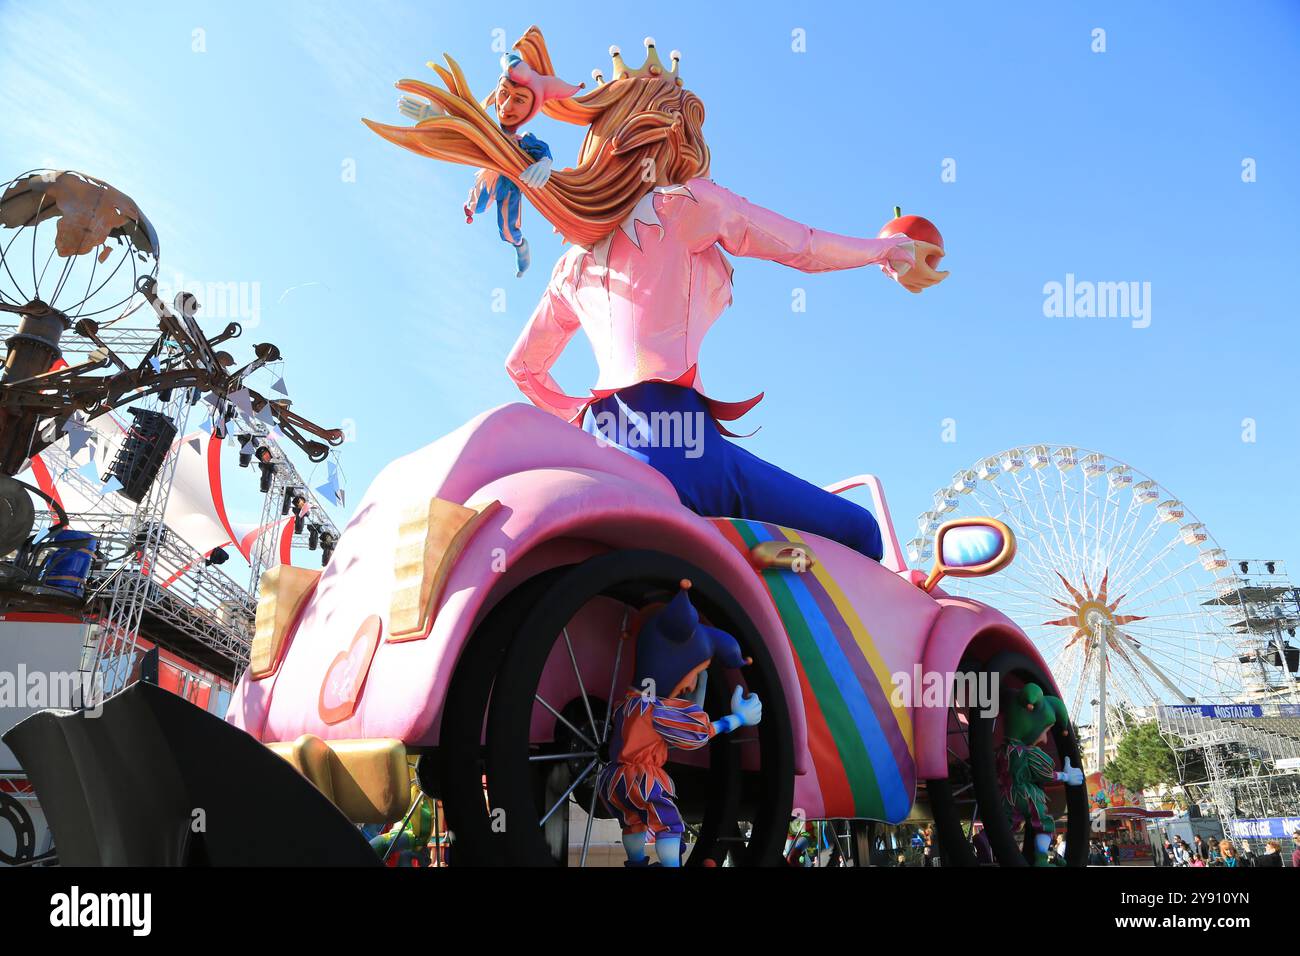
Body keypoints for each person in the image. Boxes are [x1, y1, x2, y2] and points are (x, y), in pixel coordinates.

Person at [368, 27, 947, 560]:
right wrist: (883, 251)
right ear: (672, 130)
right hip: (685, 447)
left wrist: (586, 417)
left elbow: (521, 367)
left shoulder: (572, 263)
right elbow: (803, 245)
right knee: (860, 531)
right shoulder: (686, 205)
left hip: (602, 448)